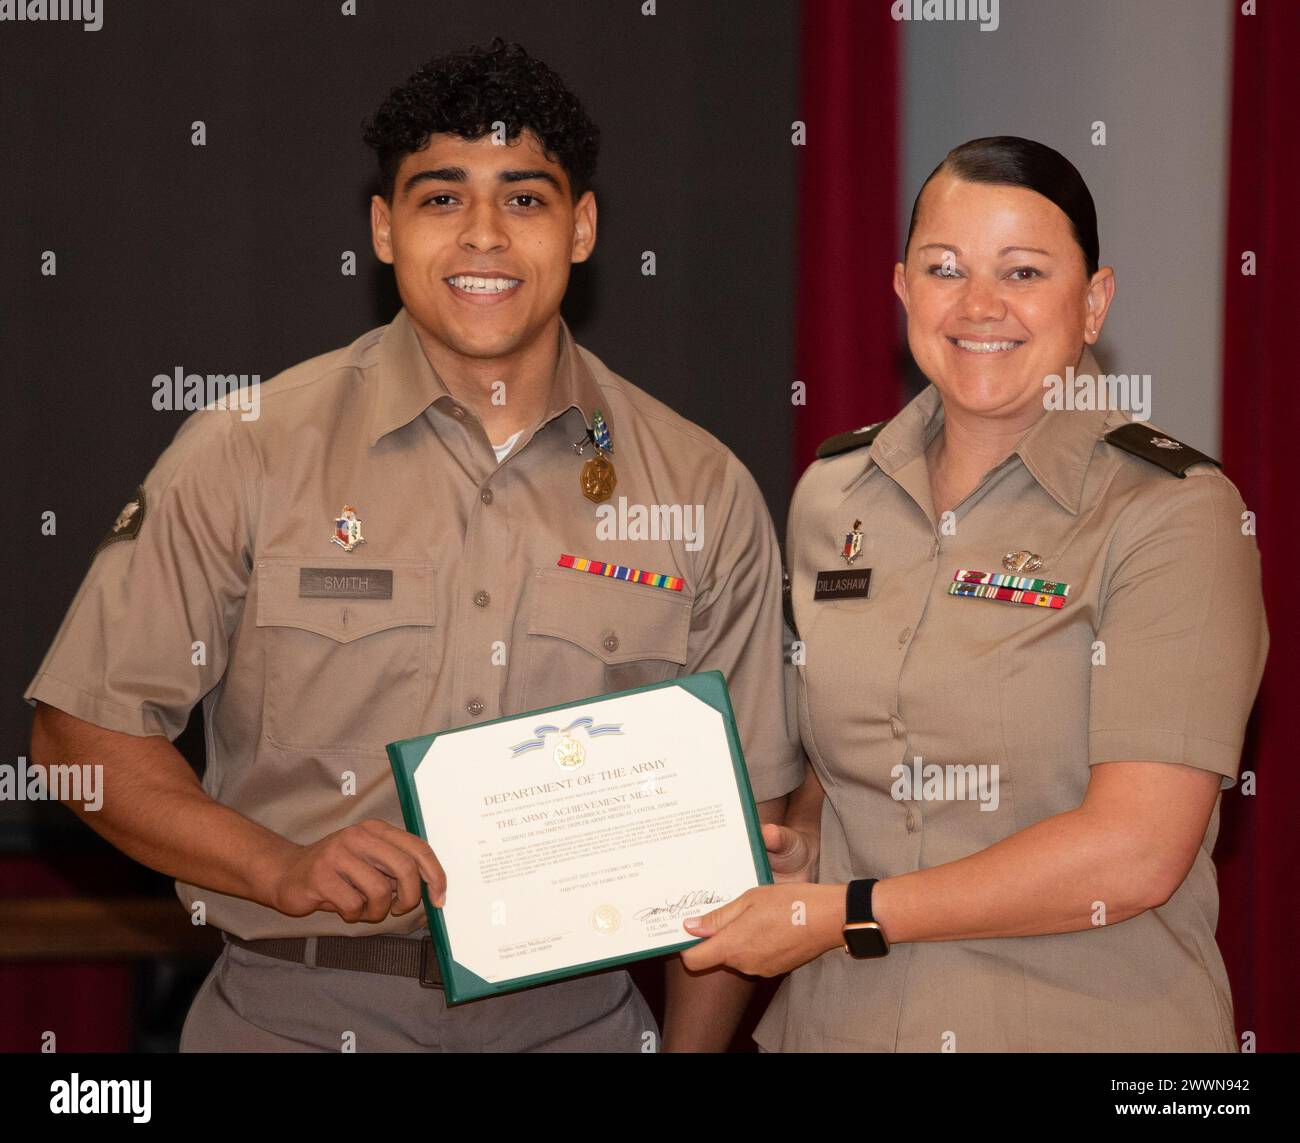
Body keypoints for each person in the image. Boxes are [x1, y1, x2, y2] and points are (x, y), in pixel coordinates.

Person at [24, 39, 801, 1052]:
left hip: (579, 1026)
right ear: (384, 230)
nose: (483, 236)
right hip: (292, 1013)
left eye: (524, 200)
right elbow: (80, 738)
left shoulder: (697, 486)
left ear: (583, 228)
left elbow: (743, 825)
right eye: (442, 199)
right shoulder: (247, 452)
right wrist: (277, 867)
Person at [679, 136, 1268, 1052]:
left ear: (1093, 304)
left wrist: (848, 912)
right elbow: (841, 772)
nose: (980, 305)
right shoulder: (834, 493)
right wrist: (805, 854)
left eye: (1023, 271)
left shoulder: (1176, 514)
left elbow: (1137, 852)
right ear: (905, 290)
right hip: (840, 1029)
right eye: (944, 268)